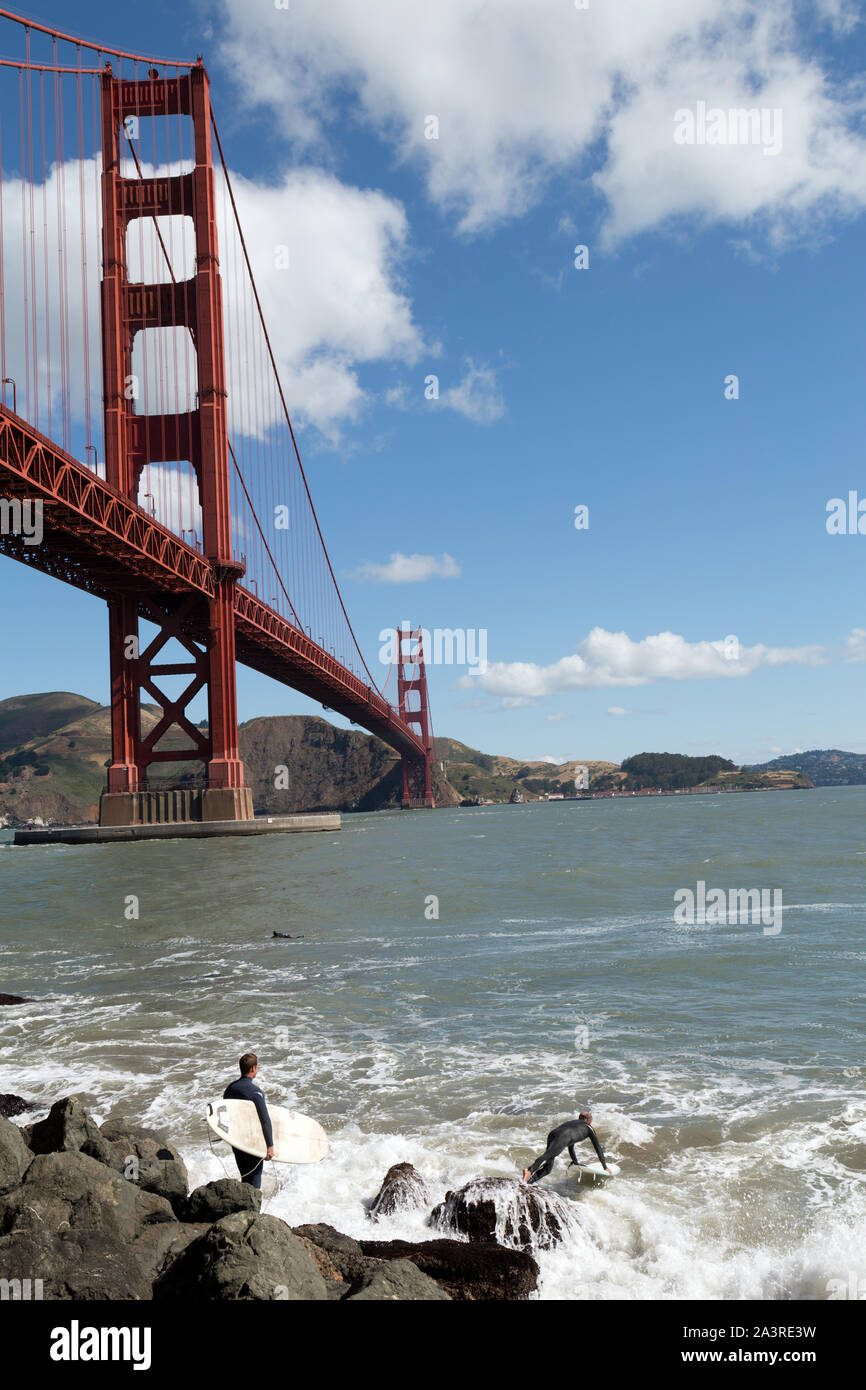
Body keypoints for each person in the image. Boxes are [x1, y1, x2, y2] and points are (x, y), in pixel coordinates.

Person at [223, 1051, 274, 1189]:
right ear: (253, 1068)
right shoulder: (255, 1092)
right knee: (255, 1181)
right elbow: (265, 1120)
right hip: (252, 1141)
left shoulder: (230, 1089)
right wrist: (270, 1145)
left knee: (245, 1176)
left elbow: (225, 1114)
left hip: (236, 1140)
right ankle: (252, 1208)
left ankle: (244, 1206)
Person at [522, 1111, 610, 1183]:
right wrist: (605, 1167)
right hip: (564, 1137)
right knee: (547, 1155)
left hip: (553, 1134)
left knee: (548, 1168)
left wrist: (575, 1162)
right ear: (588, 1120)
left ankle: (528, 1183)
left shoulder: (573, 1123)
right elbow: (598, 1148)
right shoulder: (588, 1127)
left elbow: (570, 1146)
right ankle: (529, 1170)